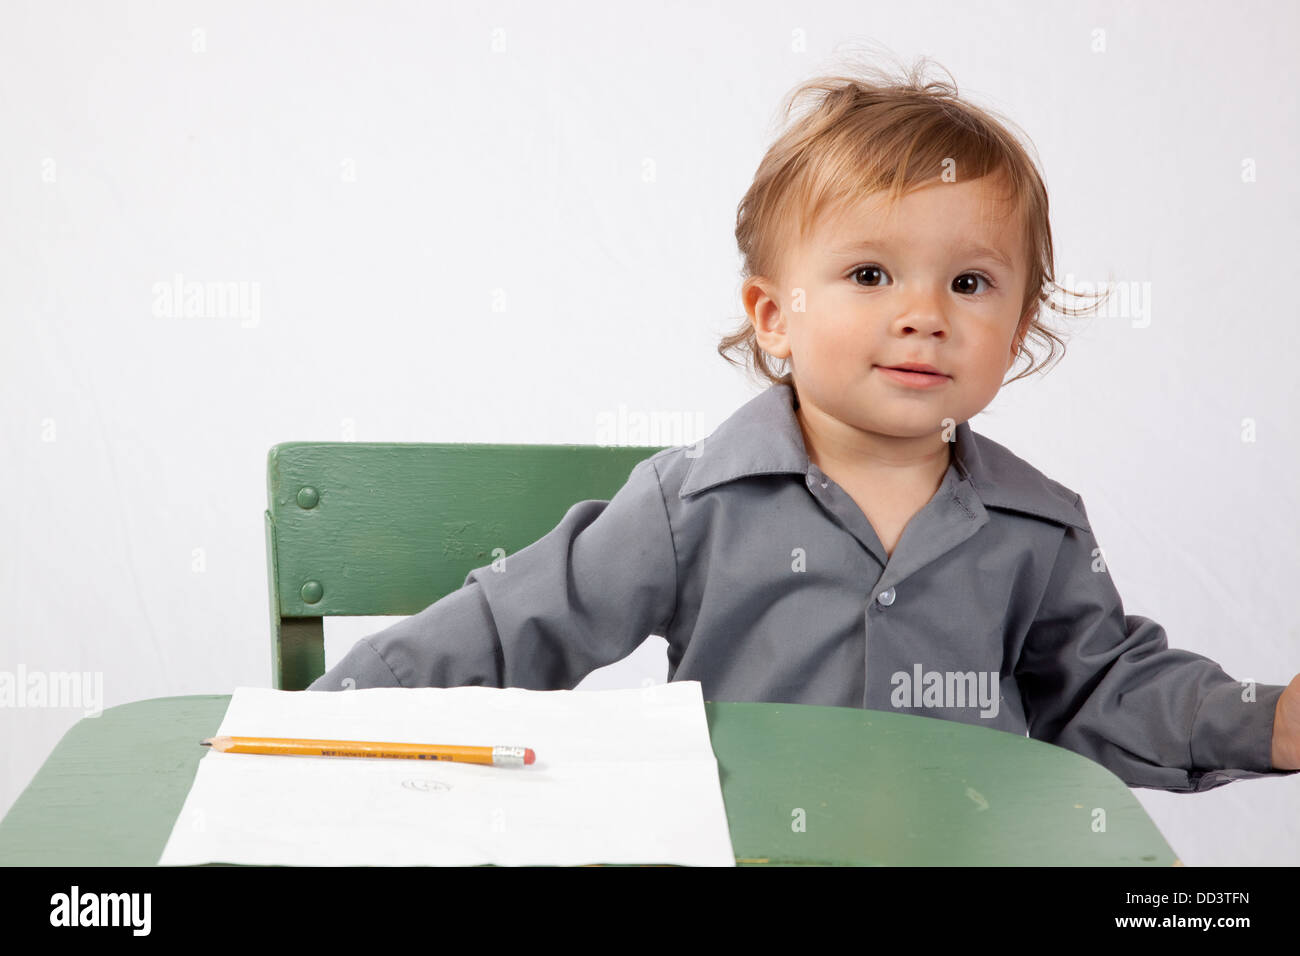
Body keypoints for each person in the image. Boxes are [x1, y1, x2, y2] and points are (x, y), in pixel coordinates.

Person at [309, 56, 1300, 793]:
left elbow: (1102, 690)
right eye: (870, 273)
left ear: (1019, 329)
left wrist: (1265, 722)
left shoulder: (1039, 525)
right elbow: (517, 621)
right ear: (773, 315)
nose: (924, 312)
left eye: (969, 281)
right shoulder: (692, 499)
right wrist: (324, 725)